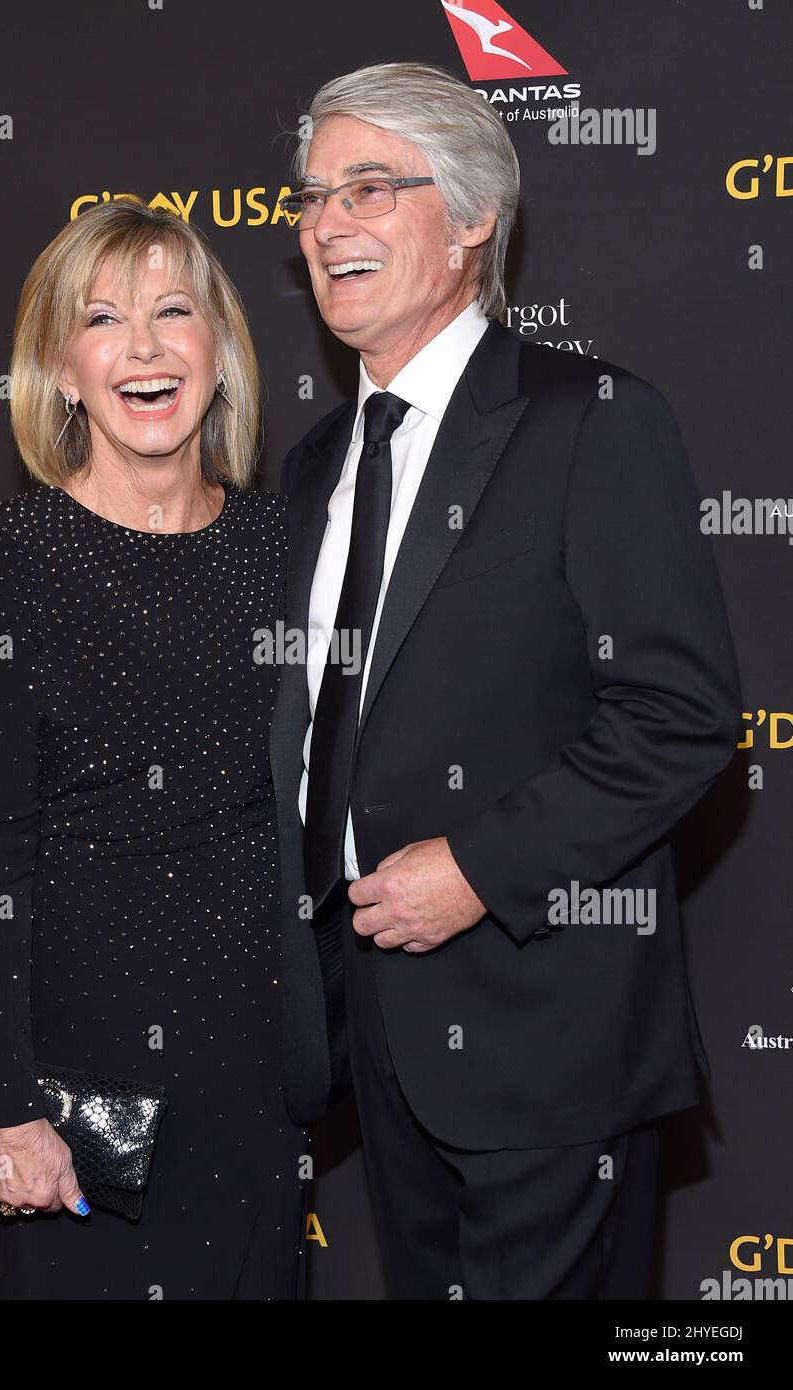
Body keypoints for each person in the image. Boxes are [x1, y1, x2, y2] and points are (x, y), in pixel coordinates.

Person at [270, 62, 741, 1299]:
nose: (328, 223)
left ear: (473, 220)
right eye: (314, 196)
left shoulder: (590, 420)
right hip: (366, 1033)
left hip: (548, 1031)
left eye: (371, 187)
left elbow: (683, 719)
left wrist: (478, 868)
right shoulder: (313, 463)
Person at [0, 200, 307, 1300]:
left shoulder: (284, 546)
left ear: (219, 350)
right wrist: (4, 1105)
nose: (144, 349)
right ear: (60, 370)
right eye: (103, 319)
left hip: (254, 1086)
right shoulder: (12, 555)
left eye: (172, 312)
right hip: (79, 1099)